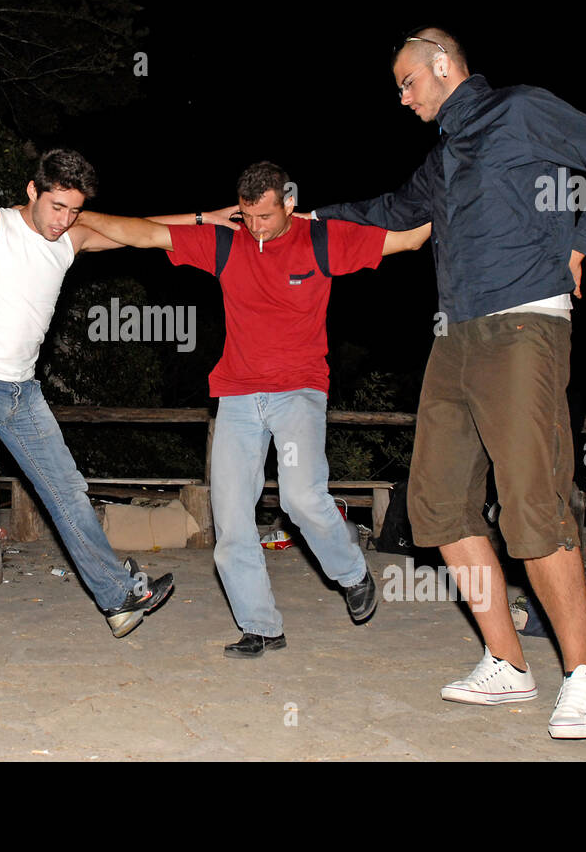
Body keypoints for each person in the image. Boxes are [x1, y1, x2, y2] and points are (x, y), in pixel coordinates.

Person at [312, 28, 586, 738]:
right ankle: (507, 662)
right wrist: (313, 219)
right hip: (453, 336)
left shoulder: (521, 111)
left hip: (524, 324)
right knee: (436, 504)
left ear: (442, 66)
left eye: (406, 82)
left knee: (533, 504)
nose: (401, 98)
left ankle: (585, 675)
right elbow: (395, 213)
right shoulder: (446, 155)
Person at [76, 162, 430, 657]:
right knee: (232, 518)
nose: (256, 227)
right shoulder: (227, 242)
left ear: (288, 202)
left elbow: (407, 240)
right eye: (247, 215)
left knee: (301, 498)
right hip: (238, 398)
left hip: (298, 392)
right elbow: (146, 235)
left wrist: (456, 200)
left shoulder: (322, 240)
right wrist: (79, 213)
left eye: (265, 216)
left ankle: (351, 573)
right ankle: (261, 626)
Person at [0, 149, 228, 659]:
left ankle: (118, 598)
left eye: (74, 209)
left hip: (23, 393)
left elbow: (142, 229)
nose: (64, 220)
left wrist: (206, 220)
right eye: (57, 206)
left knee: (69, 494)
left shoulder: (71, 236)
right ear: (32, 191)